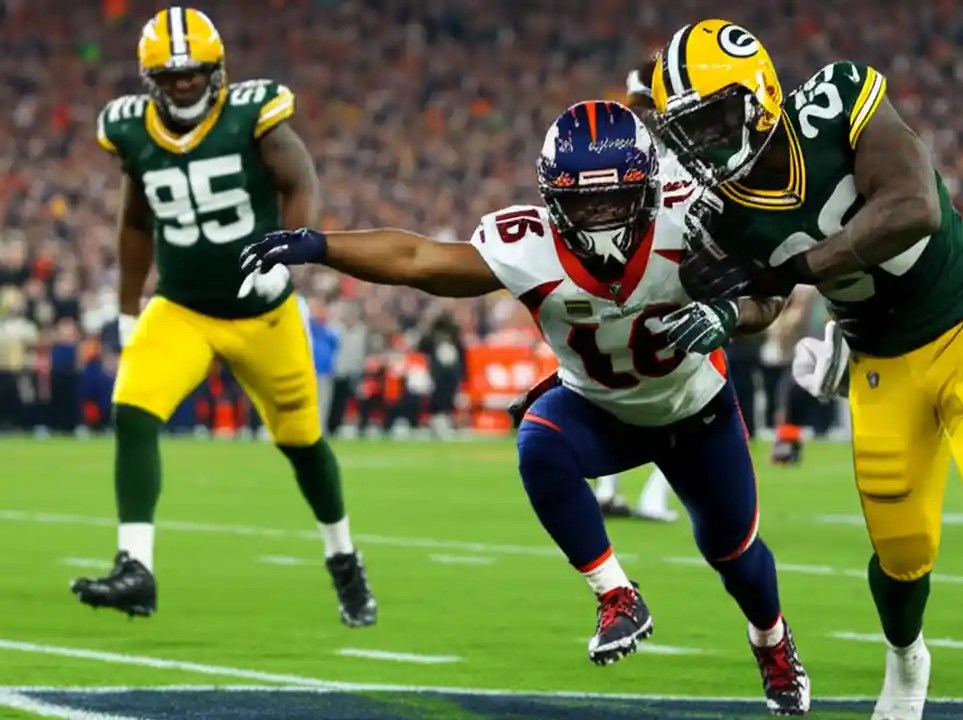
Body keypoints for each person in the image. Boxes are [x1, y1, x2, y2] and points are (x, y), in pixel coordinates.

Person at [240, 100, 809, 716]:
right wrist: (319, 245)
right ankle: (616, 595)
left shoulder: (691, 220)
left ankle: (773, 644)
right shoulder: (528, 244)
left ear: (647, 188)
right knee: (540, 441)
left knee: (736, 559)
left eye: (614, 198)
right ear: (550, 198)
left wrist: (730, 313)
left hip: (695, 411)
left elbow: (772, 286)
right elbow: (419, 260)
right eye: (584, 202)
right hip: (601, 408)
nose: (598, 215)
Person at [646, 20, 963, 720]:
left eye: (713, 120)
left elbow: (911, 209)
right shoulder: (726, 212)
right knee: (901, 555)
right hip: (880, 358)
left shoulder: (838, 97)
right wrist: (727, 318)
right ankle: (907, 661)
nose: (705, 143)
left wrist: (797, 271)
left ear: (758, 93)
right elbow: (761, 298)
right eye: (690, 131)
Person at [71, 7, 375, 628]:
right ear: (150, 77)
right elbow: (134, 223)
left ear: (218, 71)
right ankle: (136, 567)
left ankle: (343, 557)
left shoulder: (251, 113)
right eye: (172, 74)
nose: (185, 84)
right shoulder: (129, 129)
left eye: (195, 73)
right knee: (132, 410)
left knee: (302, 443)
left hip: (263, 313)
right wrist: (128, 310)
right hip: (181, 307)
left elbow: (300, 177)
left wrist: (288, 252)